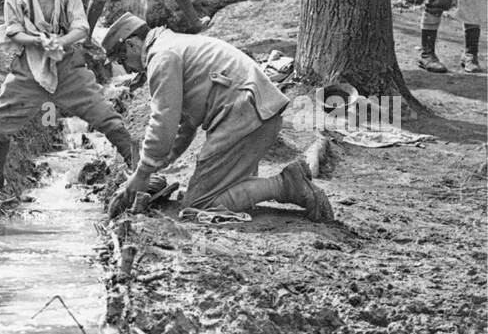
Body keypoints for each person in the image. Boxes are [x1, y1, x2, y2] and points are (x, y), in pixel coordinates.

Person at [96, 13, 333, 222]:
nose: (126, 70)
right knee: (225, 193)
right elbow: (185, 125)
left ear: (131, 44)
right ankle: (277, 185)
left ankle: (287, 185)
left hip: (245, 120)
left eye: (121, 60)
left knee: (198, 207)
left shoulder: (161, 57)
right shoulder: (174, 44)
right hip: (257, 116)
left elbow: (163, 123)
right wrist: (156, 166)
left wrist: (142, 173)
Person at [0, 0, 136, 193]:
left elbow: (81, 27)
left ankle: (137, 166)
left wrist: (60, 42)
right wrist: (37, 41)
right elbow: (12, 31)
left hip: (68, 67)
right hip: (29, 68)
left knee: (104, 114)